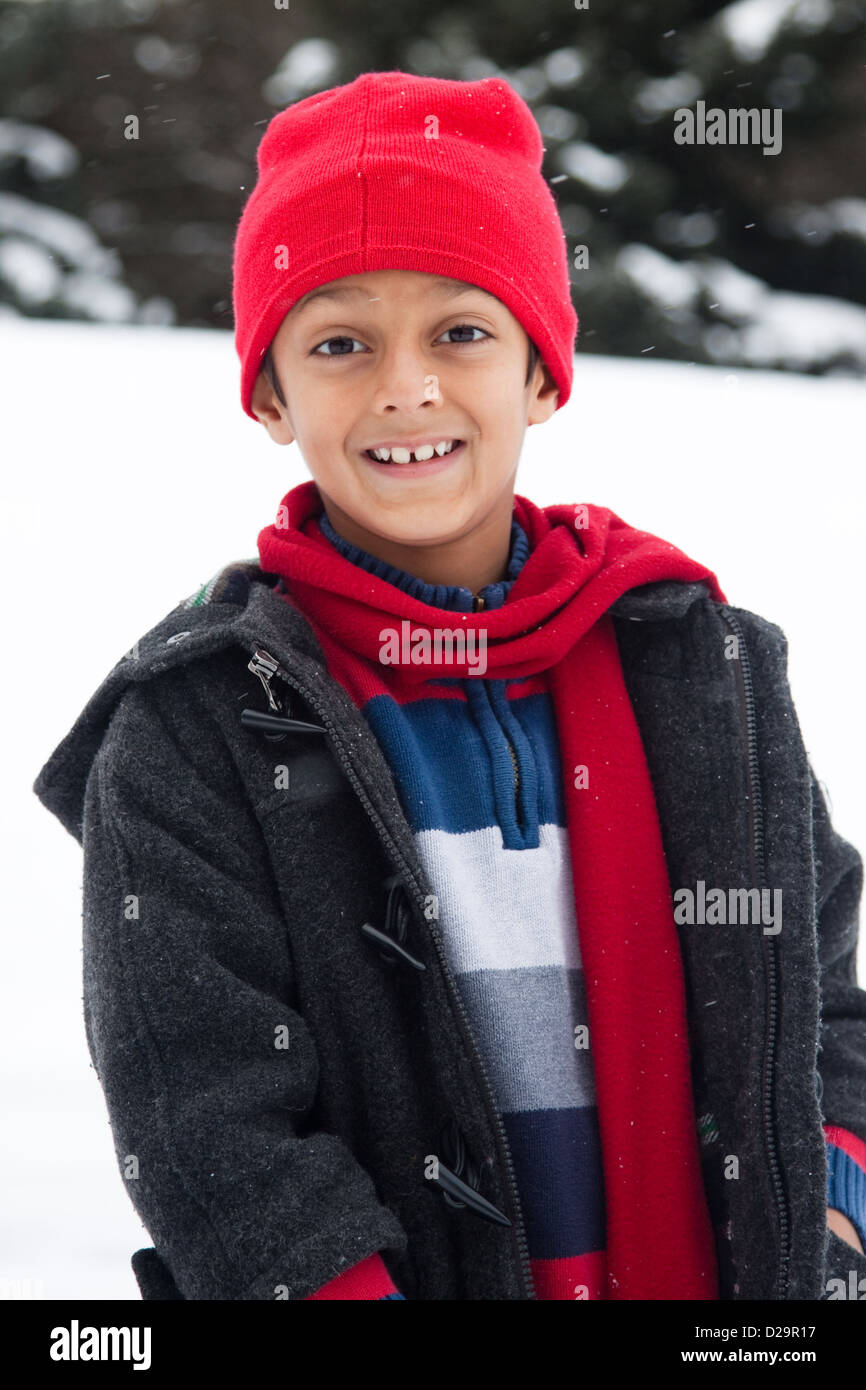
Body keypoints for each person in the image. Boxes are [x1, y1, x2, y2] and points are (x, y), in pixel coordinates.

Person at [33, 69, 866, 1301]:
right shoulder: (192, 726)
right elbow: (206, 1120)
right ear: (269, 392)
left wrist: (833, 1225)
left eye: (461, 331)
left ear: (540, 370)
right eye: (339, 342)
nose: (405, 387)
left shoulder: (701, 668)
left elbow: (820, 1013)